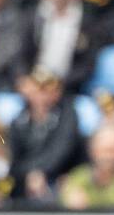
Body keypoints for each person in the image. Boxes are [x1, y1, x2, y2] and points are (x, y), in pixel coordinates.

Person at [8, 67, 84, 203]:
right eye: (39, 88)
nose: (43, 94)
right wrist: (30, 173)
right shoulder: (18, 120)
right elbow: (13, 159)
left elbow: (61, 150)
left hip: (60, 175)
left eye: (49, 89)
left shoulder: (68, 115)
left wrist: (39, 171)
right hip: (24, 180)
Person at [59, 125, 114, 211]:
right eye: (104, 150)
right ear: (92, 150)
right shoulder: (79, 176)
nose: (109, 156)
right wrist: (69, 197)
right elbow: (68, 195)